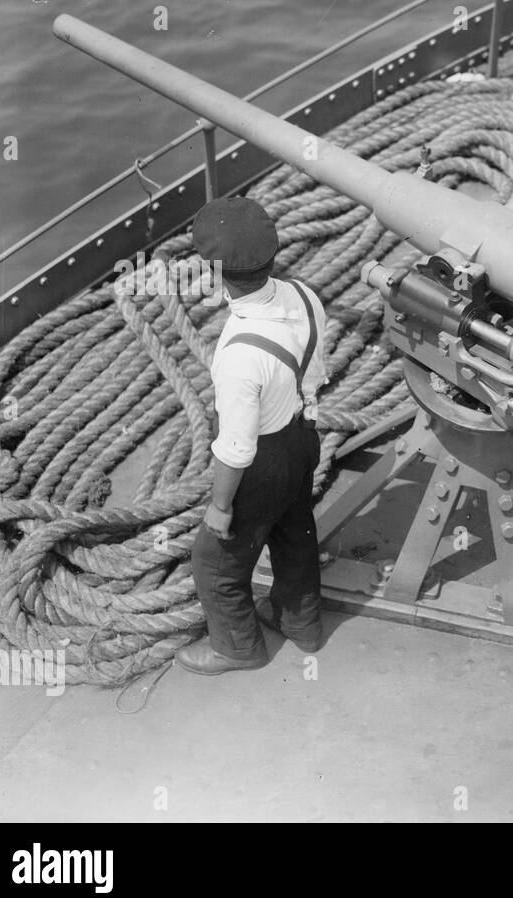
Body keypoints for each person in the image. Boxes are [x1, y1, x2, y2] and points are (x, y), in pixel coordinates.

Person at [176, 196, 329, 675]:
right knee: (294, 532)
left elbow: (237, 448)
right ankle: (302, 624)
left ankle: (237, 648)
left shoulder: (240, 355)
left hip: (262, 464)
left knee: (214, 564)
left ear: (215, 270)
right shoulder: (304, 295)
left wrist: (220, 508)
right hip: (304, 438)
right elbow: (316, 371)